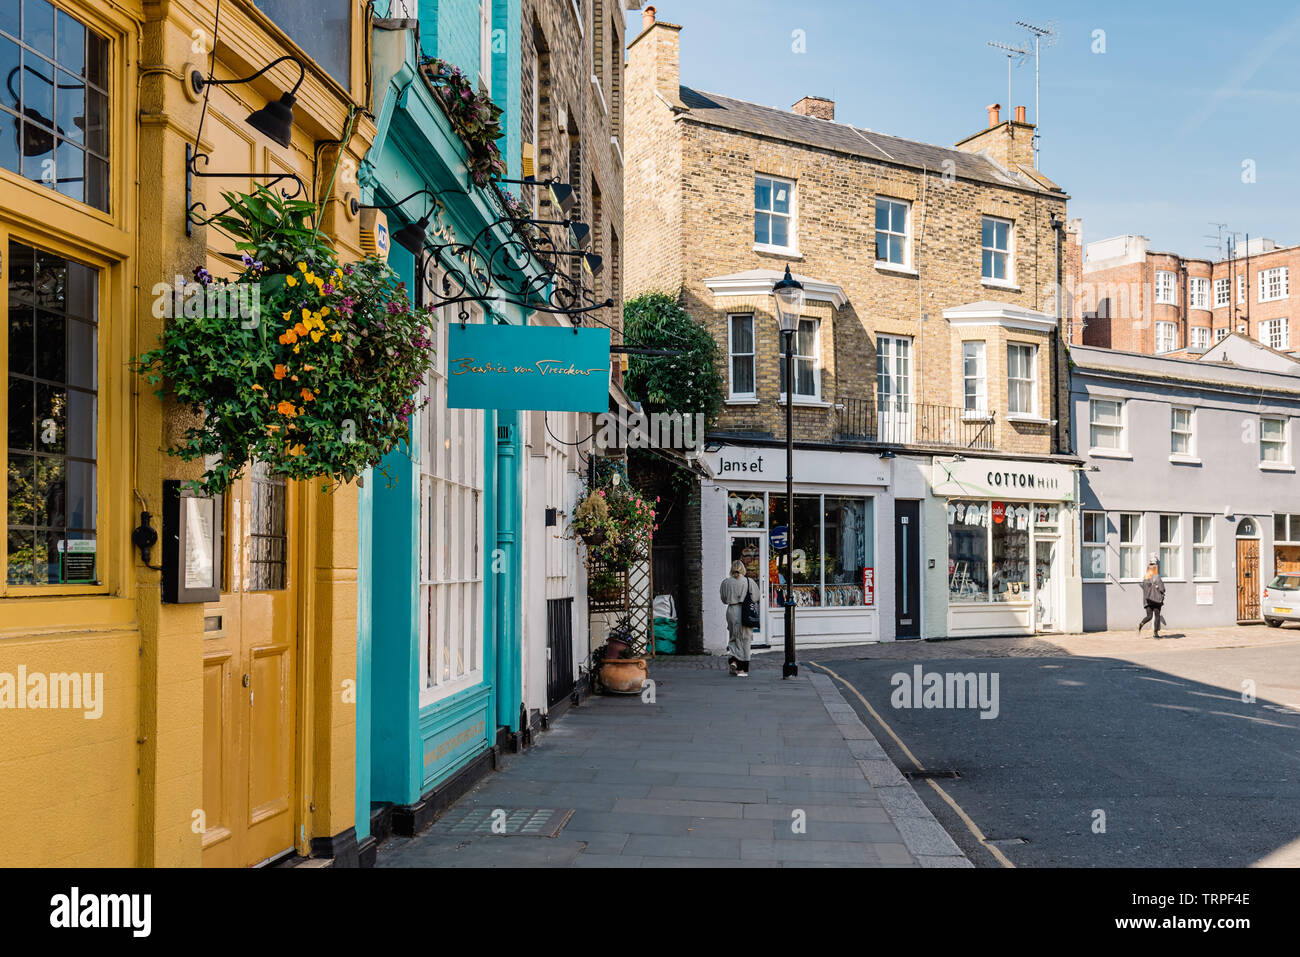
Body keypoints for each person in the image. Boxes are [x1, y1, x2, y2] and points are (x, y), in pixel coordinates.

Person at [720, 560, 758, 676]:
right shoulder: (748, 581)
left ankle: (734, 661)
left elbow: (724, 599)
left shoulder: (726, 582)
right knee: (745, 638)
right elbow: (756, 597)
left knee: (734, 636)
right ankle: (743, 668)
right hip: (745, 611)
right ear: (743, 569)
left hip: (732, 610)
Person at [1138, 556, 1166, 638]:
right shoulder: (1157, 576)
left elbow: (1143, 587)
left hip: (1147, 600)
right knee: (1157, 615)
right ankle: (1155, 633)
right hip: (1156, 600)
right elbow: (1162, 589)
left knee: (1149, 616)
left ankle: (1141, 623)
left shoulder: (1145, 578)